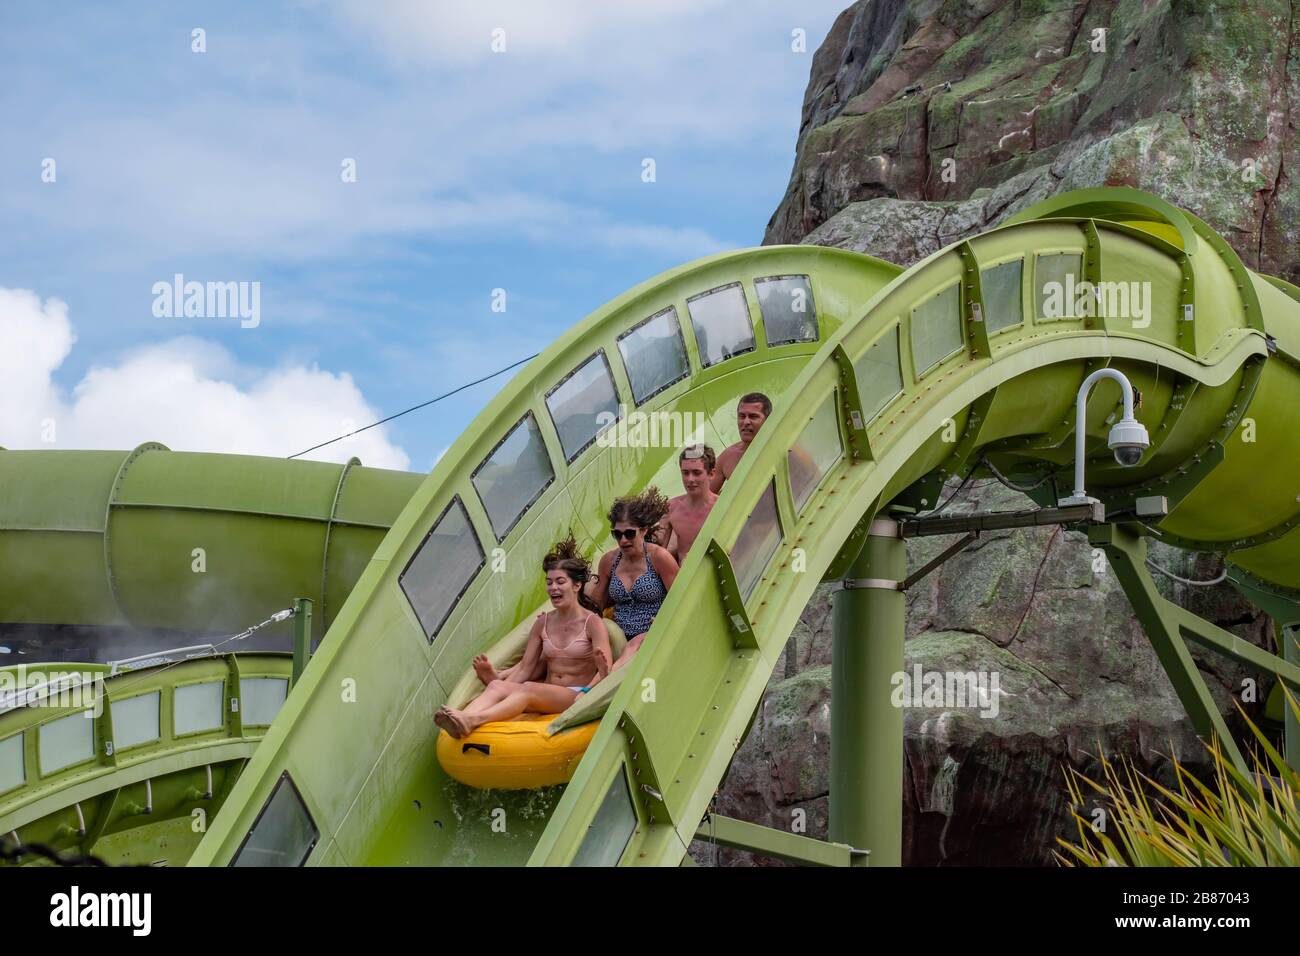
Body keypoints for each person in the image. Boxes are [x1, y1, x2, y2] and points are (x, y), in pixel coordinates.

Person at [434, 535, 612, 739]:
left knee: (527, 690)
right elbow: (525, 669)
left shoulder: (592, 623)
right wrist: (504, 686)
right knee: (496, 685)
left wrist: (588, 691)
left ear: (576, 586)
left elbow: (604, 669)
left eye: (560, 582)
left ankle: (473, 720)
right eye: (549, 582)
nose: (553, 588)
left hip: (576, 693)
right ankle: (462, 718)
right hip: (548, 691)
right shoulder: (542, 623)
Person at [588, 488, 678, 671]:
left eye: (629, 534)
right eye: (617, 534)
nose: (623, 541)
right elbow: (596, 604)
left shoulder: (658, 557)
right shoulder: (609, 562)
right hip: (618, 634)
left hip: (650, 633)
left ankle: (602, 684)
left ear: (644, 530)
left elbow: (679, 600)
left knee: (633, 648)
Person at [658, 444, 719, 563]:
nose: (690, 479)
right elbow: (660, 554)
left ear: (711, 474)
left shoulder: (721, 507)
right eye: (685, 473)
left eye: (696, 473)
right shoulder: (671, 507)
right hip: (682, 577)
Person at [711, 392, 771, 493]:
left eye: (753, 416)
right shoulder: (727, 457)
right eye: (742, 416)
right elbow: (702, 500)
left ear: (768, 420)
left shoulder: (786, 449)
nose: (746, 422)